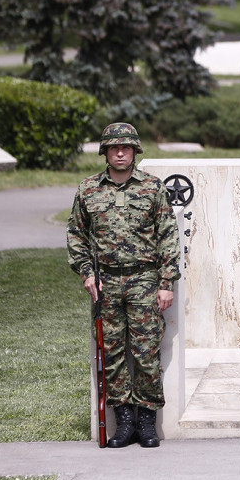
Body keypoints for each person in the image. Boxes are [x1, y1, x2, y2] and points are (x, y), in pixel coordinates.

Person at [67, 123, 181, 448]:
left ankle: (146, 421)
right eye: (114, 148)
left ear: (134, 152)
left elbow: (168, 236)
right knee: (112, 352)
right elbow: (76, 233)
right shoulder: (88, 189)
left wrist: (166, 282)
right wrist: (87, 273)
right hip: (105, 283)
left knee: (146, 352)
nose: (120, 153)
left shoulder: (152, 188)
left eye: (126, 148)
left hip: (144, 279)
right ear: (105, 152)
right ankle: (124, 421)